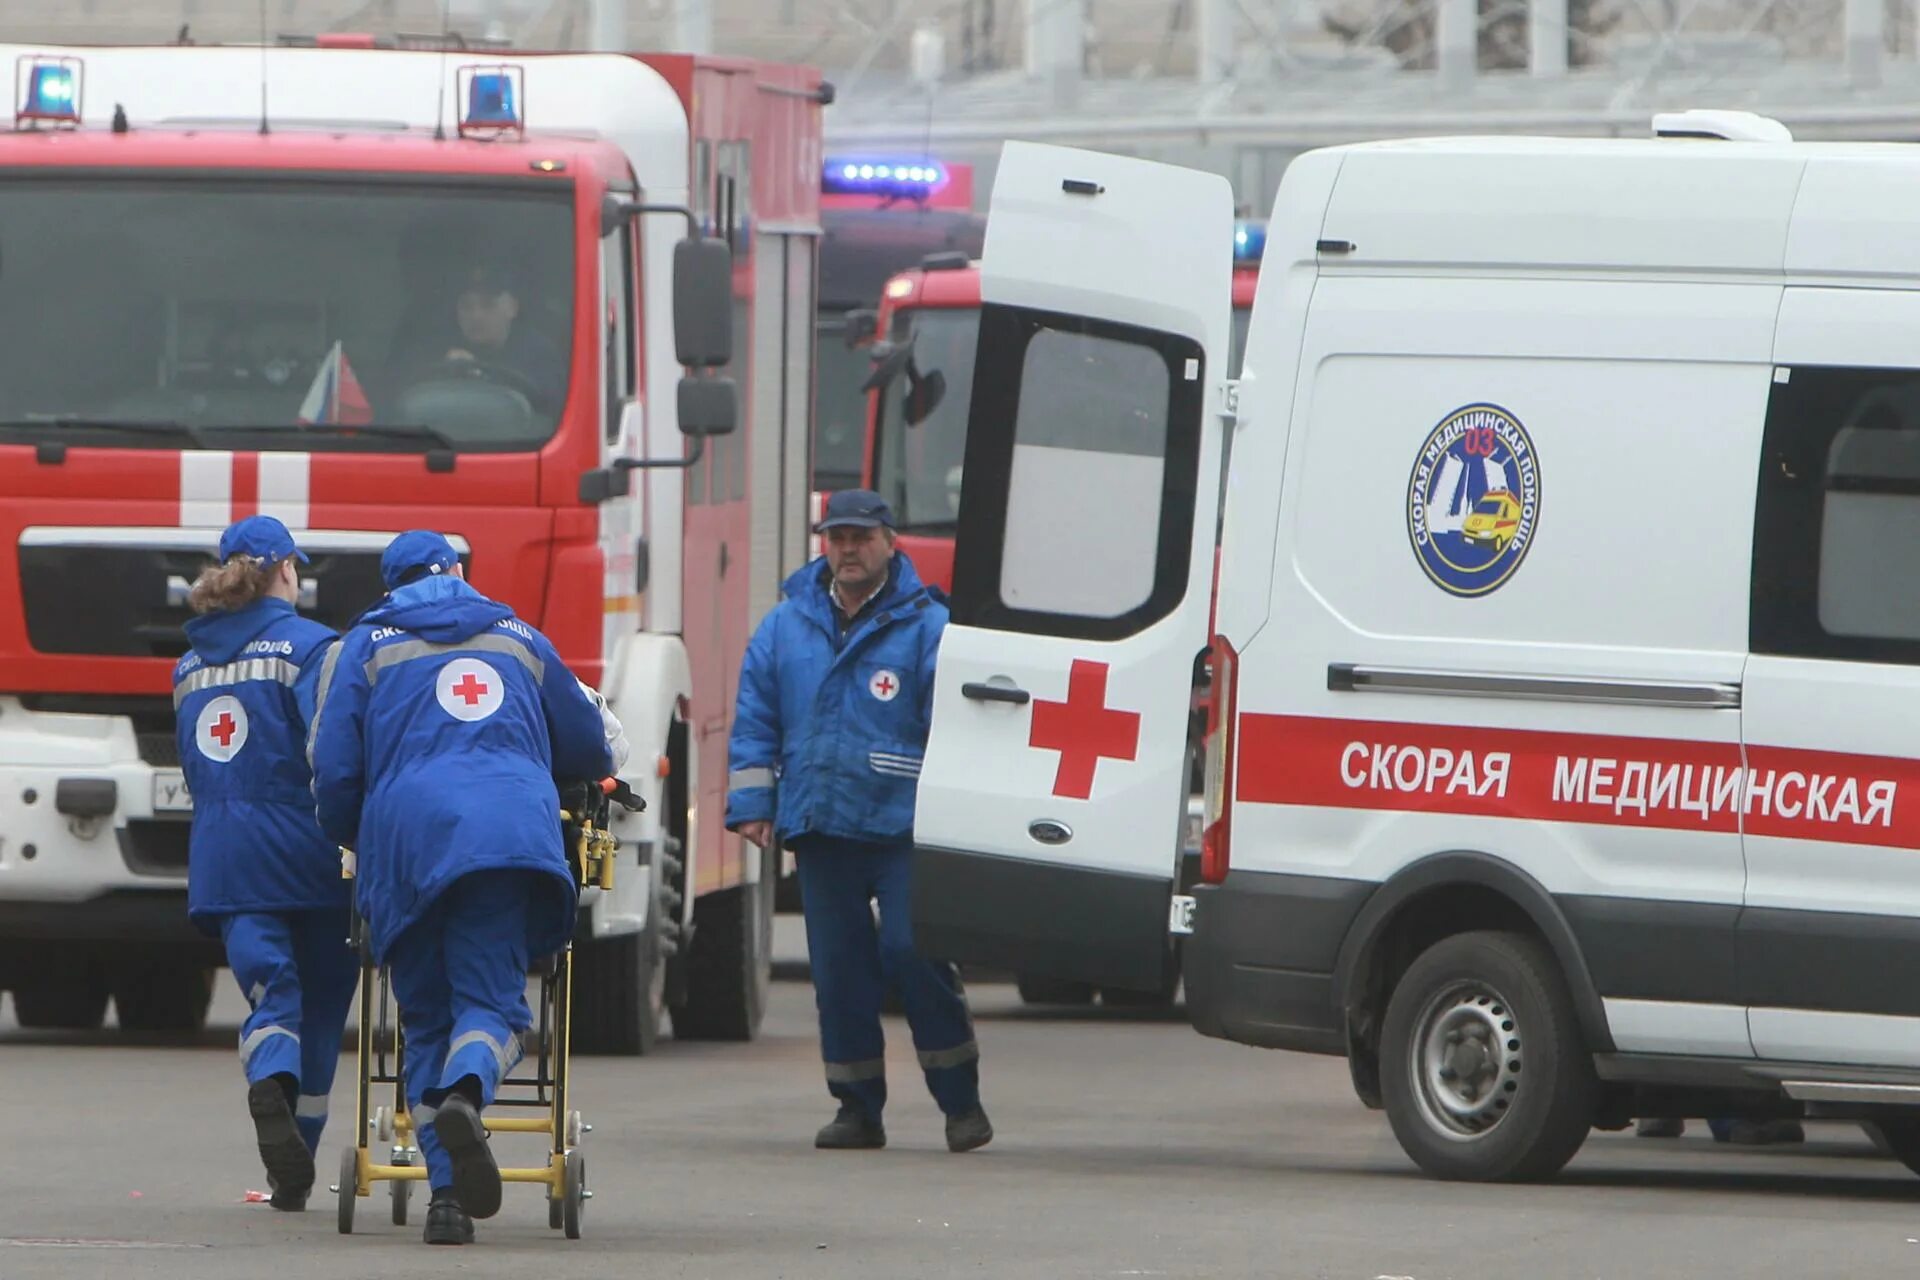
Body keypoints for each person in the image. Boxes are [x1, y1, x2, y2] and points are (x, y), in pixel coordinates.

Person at [308, 530, 613, 1246]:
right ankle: (469, 1093)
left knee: (426, 1019)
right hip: (507, 833)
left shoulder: (364, 647)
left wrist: (360, 835)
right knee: (495, 1007)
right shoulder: (518, 635)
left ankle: (446, 1199)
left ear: (391, 584)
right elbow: (589, 745)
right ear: (459, 573)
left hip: (407, 841)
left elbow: (335, 767)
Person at [727, 489, 991, 1154]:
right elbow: (756, 717)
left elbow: (955, 729)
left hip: (904, 829)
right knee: (840, 974)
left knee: (912, 952)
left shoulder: (930, 627)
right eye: (836, 537)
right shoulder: (785, 625)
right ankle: (856, 1107)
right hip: (822, 827)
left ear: (889, 542)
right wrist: (755, 805)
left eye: (860, 538)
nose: (847, 549)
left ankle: (960, 1101)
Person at [171, 515, 356, 1212]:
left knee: (269, 993)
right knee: (323, 1006)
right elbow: (334, 754)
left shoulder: (187, 664)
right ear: (285, 572)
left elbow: (194, 766)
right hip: (310, 849)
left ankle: (270, 1083)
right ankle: (297, 1159)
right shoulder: (314, 648)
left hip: (227, 854)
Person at [391, 261, 566, 413]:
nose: (476, 316)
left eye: (488, 305)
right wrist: (445, 376)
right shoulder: (433, 350)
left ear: (512, 308)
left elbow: (547, 412)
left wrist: (480, 378)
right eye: (466, 306)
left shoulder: (540, 356)